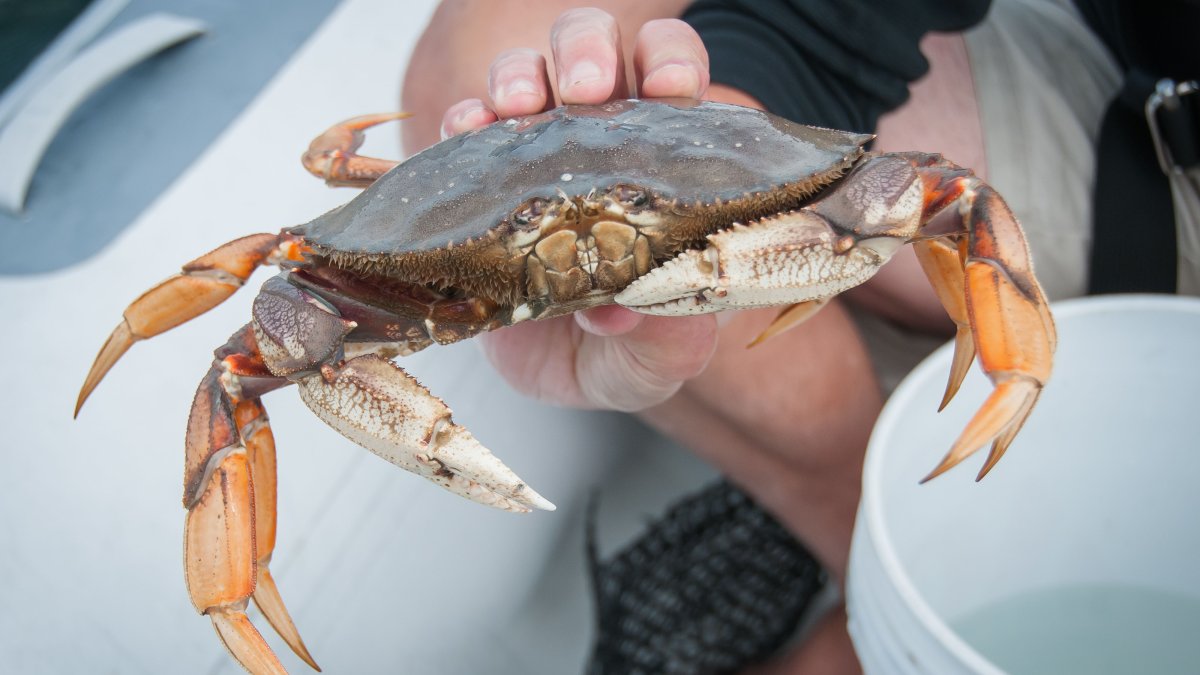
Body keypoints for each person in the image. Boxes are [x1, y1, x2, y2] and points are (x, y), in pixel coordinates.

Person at [400, 0, 1180, 671]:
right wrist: (698, 156)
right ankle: (876, 554)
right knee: (475, 65)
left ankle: (911, 594)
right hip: (1150, 117)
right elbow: (815, 26)